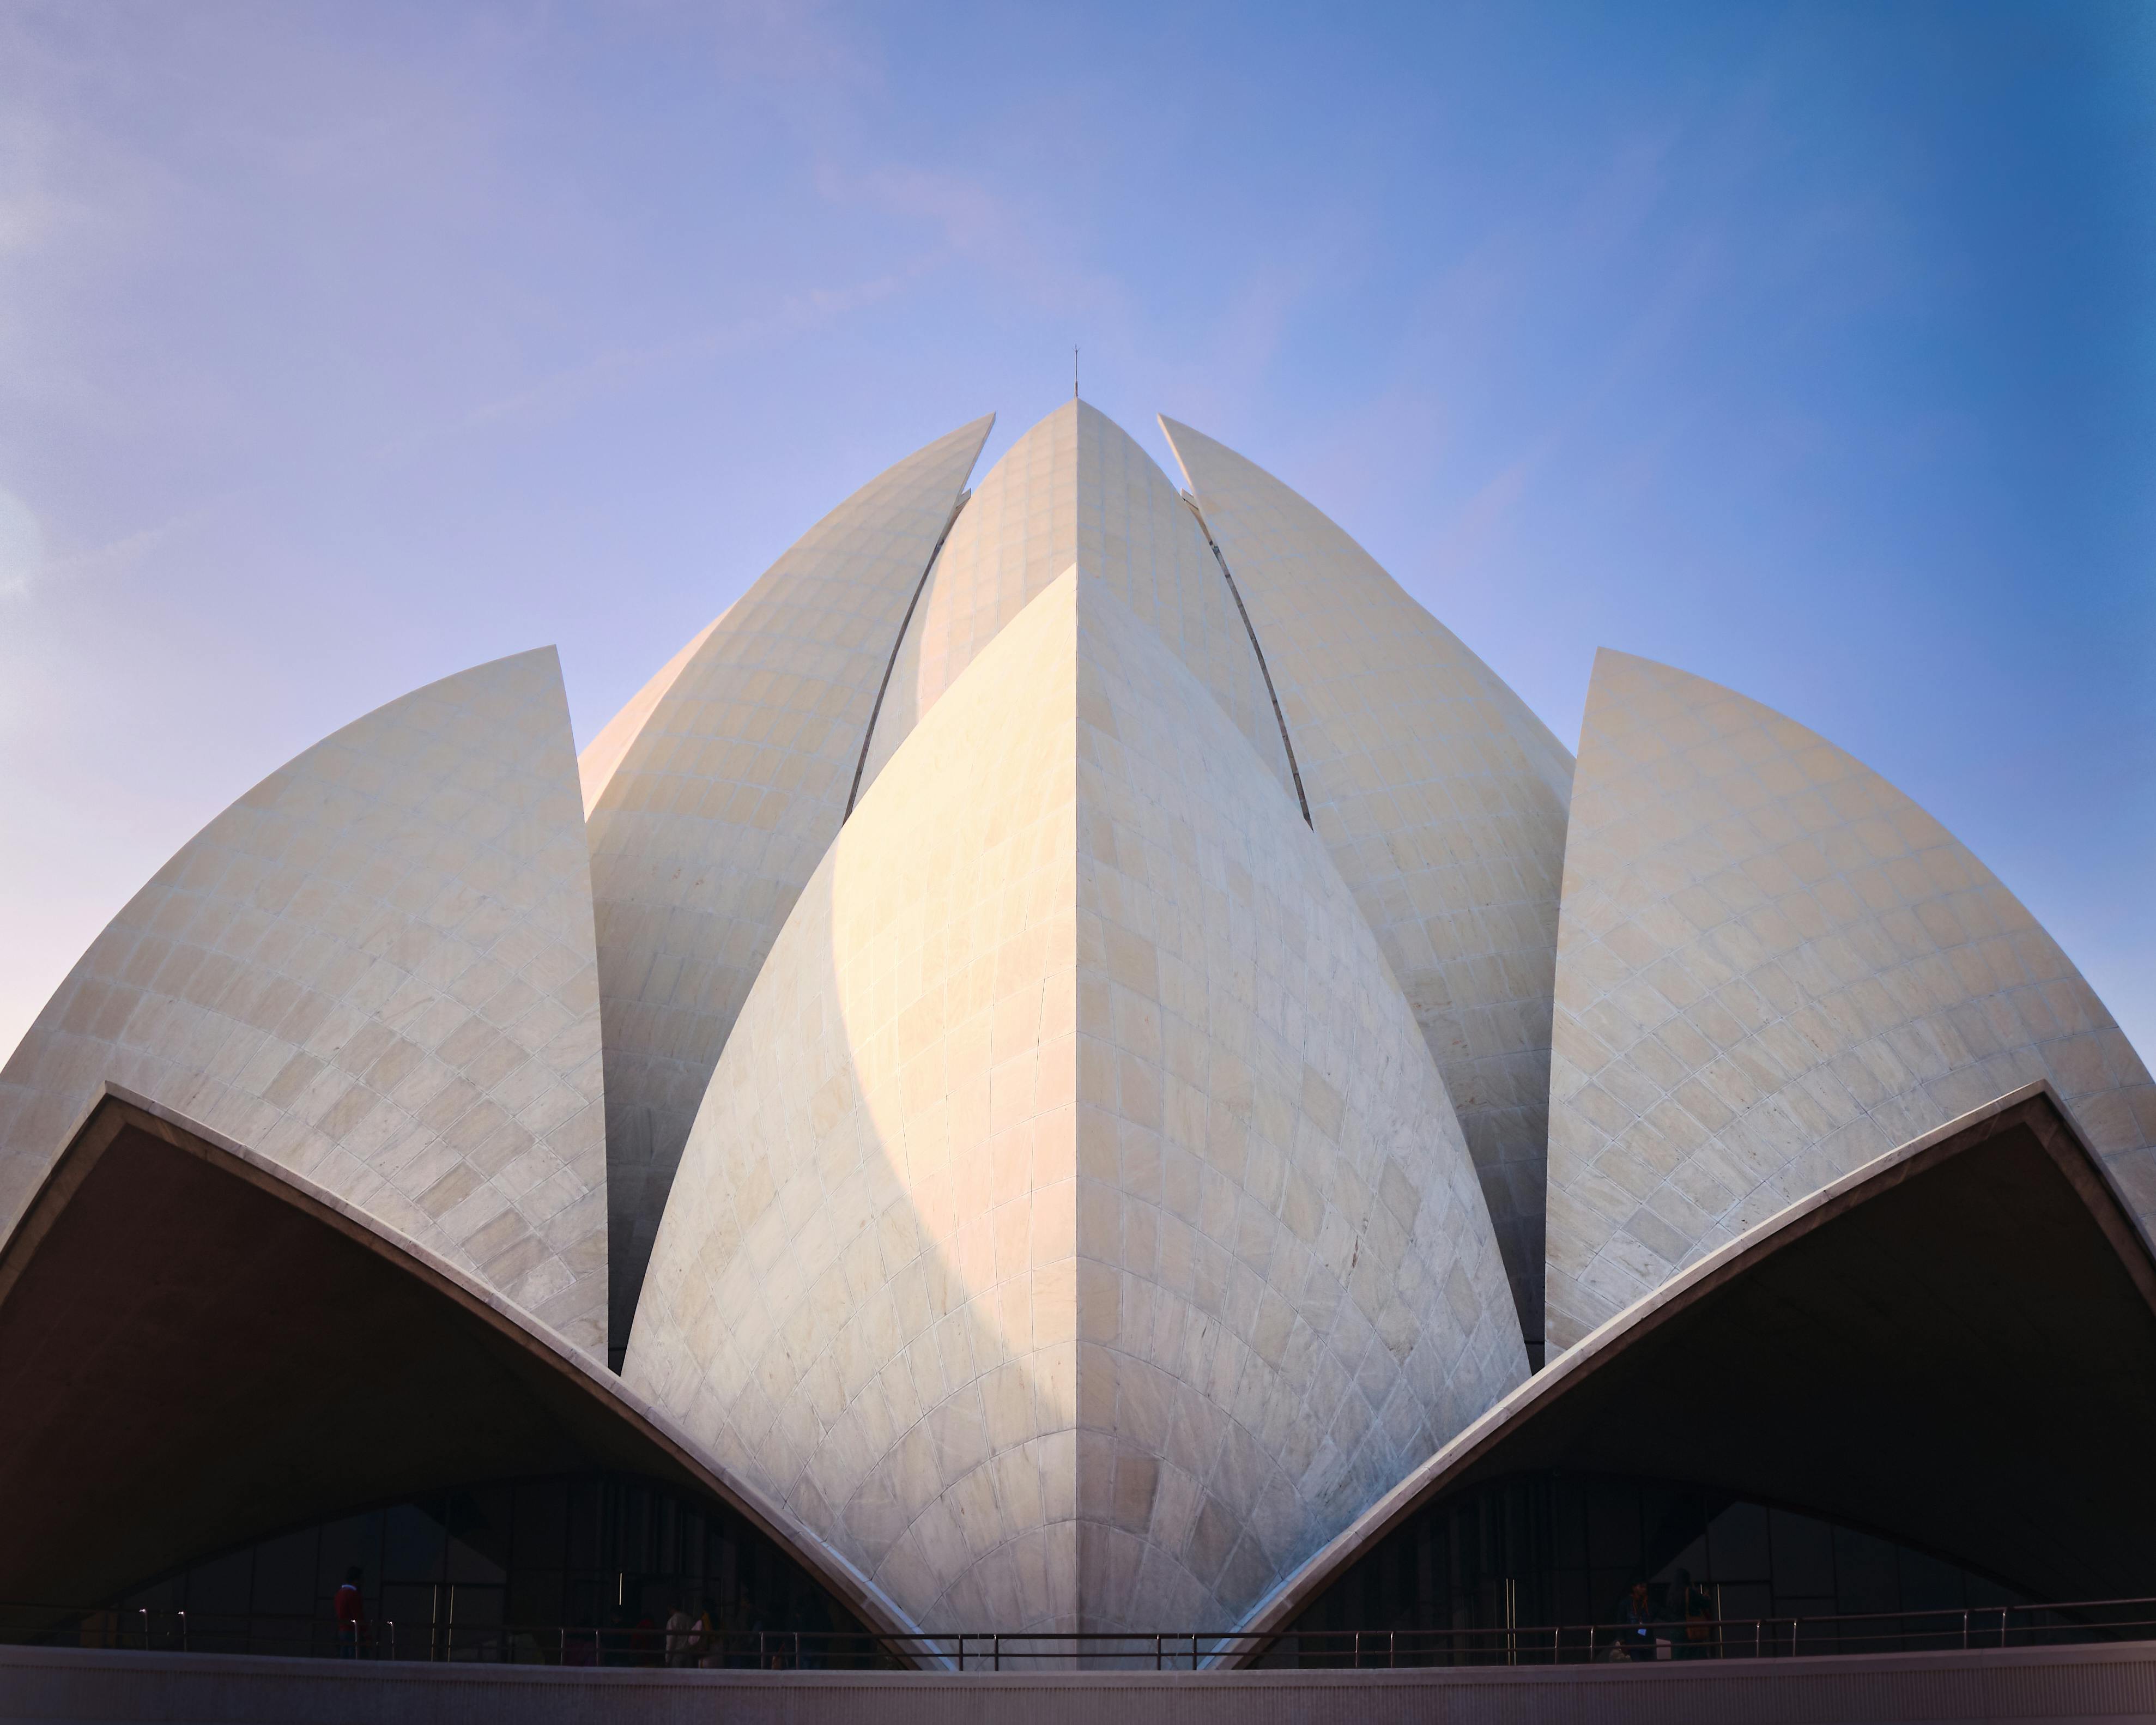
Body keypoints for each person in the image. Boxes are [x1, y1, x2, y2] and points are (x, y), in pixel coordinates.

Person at [1675, 1569, 1713, 1660]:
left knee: (1681, 1657)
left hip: (1678, 1630)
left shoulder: (1673, 1594)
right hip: (1692, 1629)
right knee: (1697, 1654)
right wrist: (1705, 1597)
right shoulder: (1690, 1592)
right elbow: (1705, 1603)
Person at [333, 1567, 367, 1659]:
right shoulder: (353, 1594)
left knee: (344, 1656)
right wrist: (366, 1632)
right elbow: (358, 1615)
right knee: (354, 1656)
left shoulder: (339, 1593)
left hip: (342, 1630)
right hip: (353, 1631)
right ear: (357, 1579)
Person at [1619, 1579, 1655, 1661]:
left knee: (1649, 1667)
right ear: (1634, 1588)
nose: (1644, 1589)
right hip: (1633, 1644)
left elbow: (1662, 1613)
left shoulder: (1649, 1603)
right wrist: (1623, 1642)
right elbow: (1620, 1624)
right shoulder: (1625, 1604)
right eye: (1642, 1587)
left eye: (1645, 1587)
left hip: (1647, 1643)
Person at [664, 1600, 698, 1669]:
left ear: (670, 1608)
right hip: (689, 1652)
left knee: (676, 1677)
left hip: (678, 1653)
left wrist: (667, 1659)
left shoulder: (673, 1620)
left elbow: (671, 1641)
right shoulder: (689, 1619)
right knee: (689, 1677)